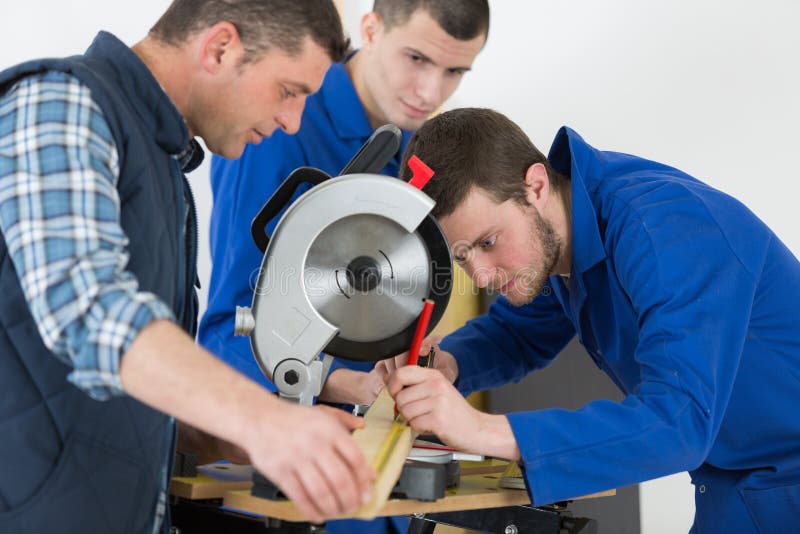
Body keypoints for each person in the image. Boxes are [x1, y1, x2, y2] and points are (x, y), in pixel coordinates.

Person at [0, 1, 376, 531]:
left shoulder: (165, 169)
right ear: (221, 48)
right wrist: (263, 419)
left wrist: (248, 438)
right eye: (289, 92)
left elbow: (122, 398)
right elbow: (88, 309)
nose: (292, 122)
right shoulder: (59, 103)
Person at [380, 107, 800, 533]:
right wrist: (448, 363)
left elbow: (678, 421)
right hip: (741, 482)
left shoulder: (663, 232)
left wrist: (483, 430)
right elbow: (516, 332)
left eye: (488, 242)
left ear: (536, 185)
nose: (483, 276)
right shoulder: (566, 230)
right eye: (462, 256)